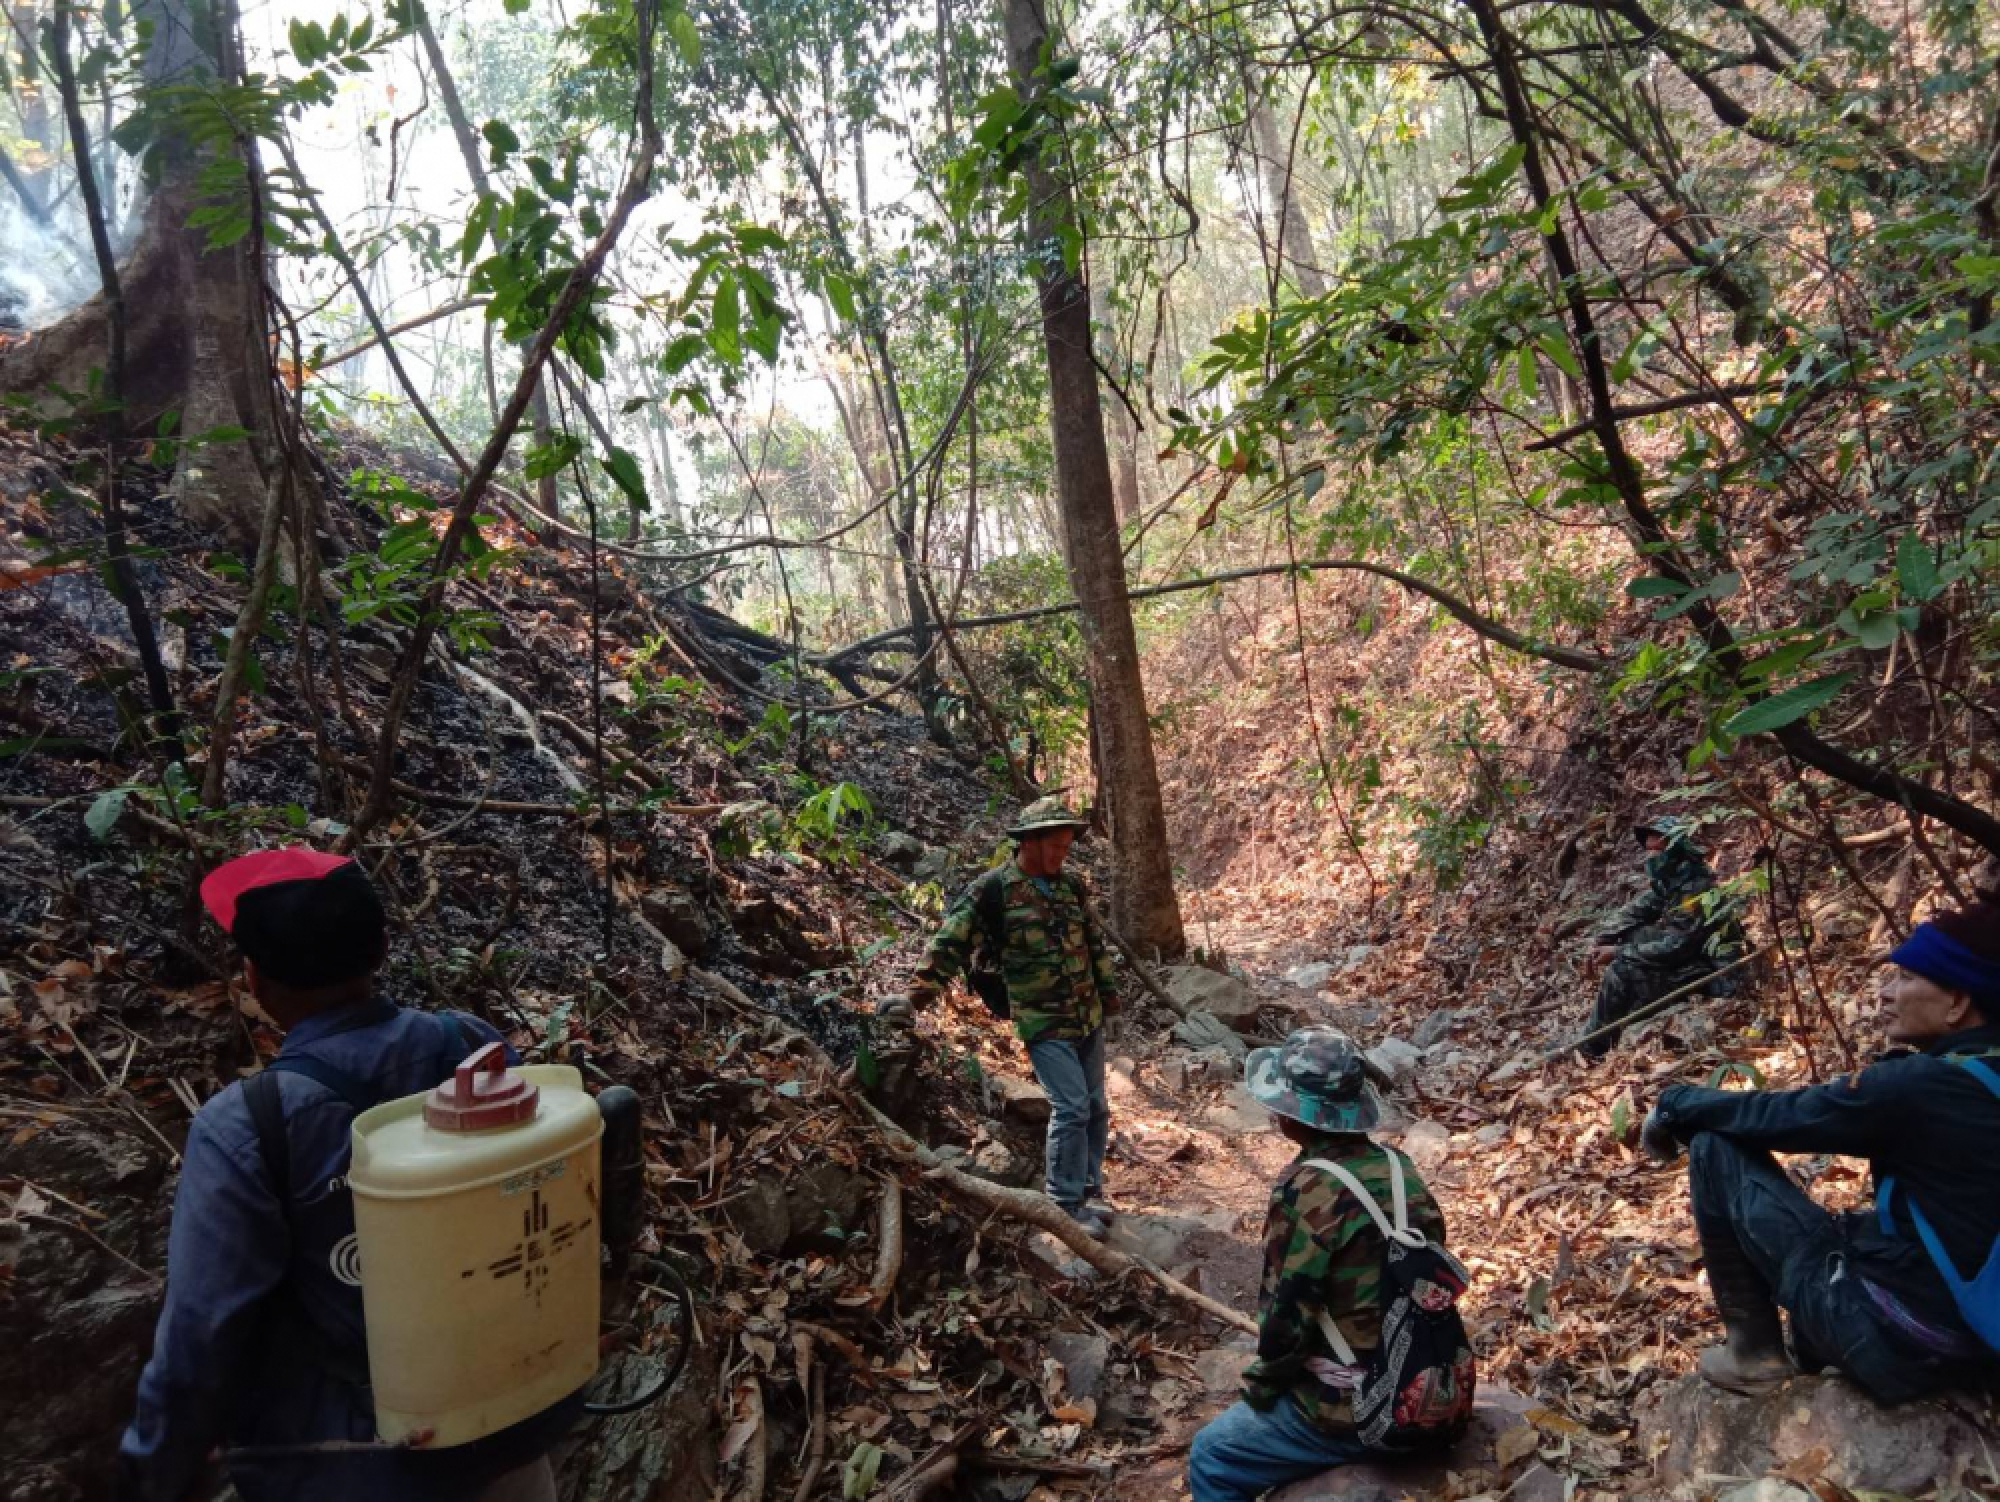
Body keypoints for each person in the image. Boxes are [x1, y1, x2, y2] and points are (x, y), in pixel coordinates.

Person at [119, 848, 577, 1502]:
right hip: (508, 1435)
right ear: (383, 948)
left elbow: (199, 1340)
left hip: (353, 1471)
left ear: (254, 978)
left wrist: (153, 1473)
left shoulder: (249, 1127)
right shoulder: (469, 1047)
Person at [1640, 894, 2000, 1401]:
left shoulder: (1919, 1087)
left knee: (1714, 1147)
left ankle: (1752, 1353)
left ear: (1960, 1002)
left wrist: (1674, 1104)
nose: (1885, 994)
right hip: (1977, 1338)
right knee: (1855, 1227)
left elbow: (1777, 1116)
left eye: (1907, 979)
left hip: (1907, 1348)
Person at [1189, 1029, 1470, 1502]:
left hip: (1355, 1410)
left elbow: (1286, 1315)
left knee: (1213, 1455)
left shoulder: (1305, 1191)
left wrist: (1264, 1385)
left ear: (1294, 1118)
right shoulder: (1400, 1169)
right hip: (1432, 1389)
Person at [878, 796, 1121, 1236]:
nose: (1062, 856)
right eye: (1056, 847)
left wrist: (1109, 995)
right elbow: (949, 944)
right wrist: (914, 999)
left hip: (1087, 1015)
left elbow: (1093, 946)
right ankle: (1065, 1204)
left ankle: (1088, 1188)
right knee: (1071, 1108)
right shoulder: (993, 890)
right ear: (1029, 842)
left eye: (1067, 848)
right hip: (1043, 1021)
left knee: (1097, 1107)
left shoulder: (1071, 888)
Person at [1581, 816, 1743, 1058]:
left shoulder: (1695, 887)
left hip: (1713, 975)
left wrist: (1618, 952)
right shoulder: (1674, 879)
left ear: (1674, 848)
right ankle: (1605, 1029)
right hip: (1692, 959)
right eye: (1648, 851)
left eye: (1657, 851)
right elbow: (1637, 910)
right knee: (1634, 937)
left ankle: (1591, 1048)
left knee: (1622, 969)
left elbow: (1679, 946)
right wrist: (1602, 940)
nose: (1650, 857)